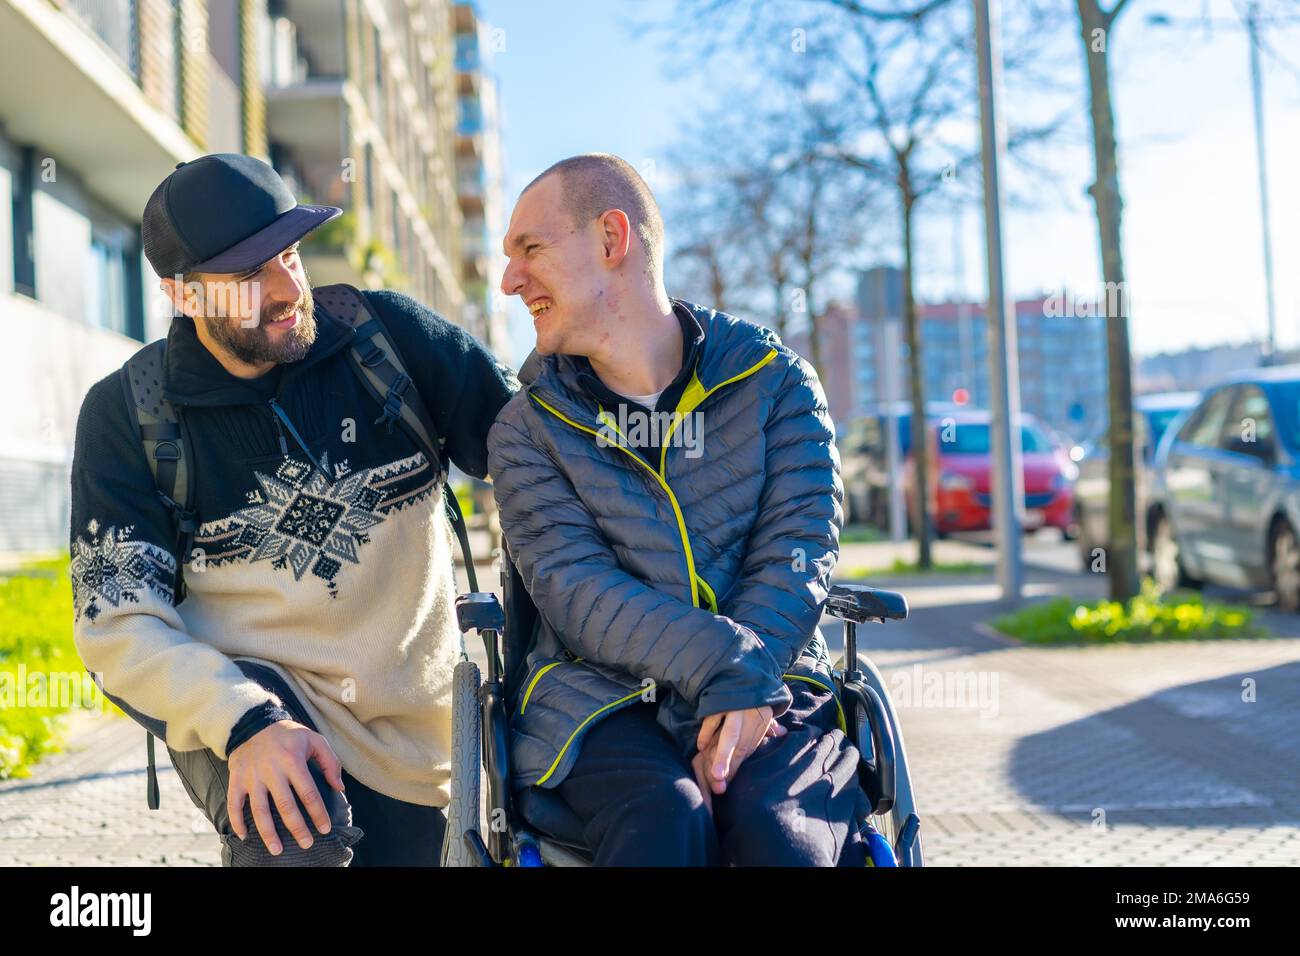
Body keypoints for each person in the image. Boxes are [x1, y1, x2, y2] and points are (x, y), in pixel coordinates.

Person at [69, 153, 516, 865]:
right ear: (184, 296)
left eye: (289, 254)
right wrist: (242, 720)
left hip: (424, 737)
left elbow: (539, 456)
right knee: (286, 830)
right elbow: (116, 623)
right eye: (250, 274)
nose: (287, 287)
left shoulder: (388, 342)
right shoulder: (130, 414)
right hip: (254, 710)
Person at [487, 153, 868, 866]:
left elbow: (799, 547)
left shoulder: (777, 383)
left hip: (779, 680)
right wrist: (729, 668)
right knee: (665, 819)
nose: (509, 280)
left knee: (783, 836)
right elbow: (576, 591)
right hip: (594, 703)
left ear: (611, 238)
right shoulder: (527, 430)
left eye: (530, 249)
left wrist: (749, 684)